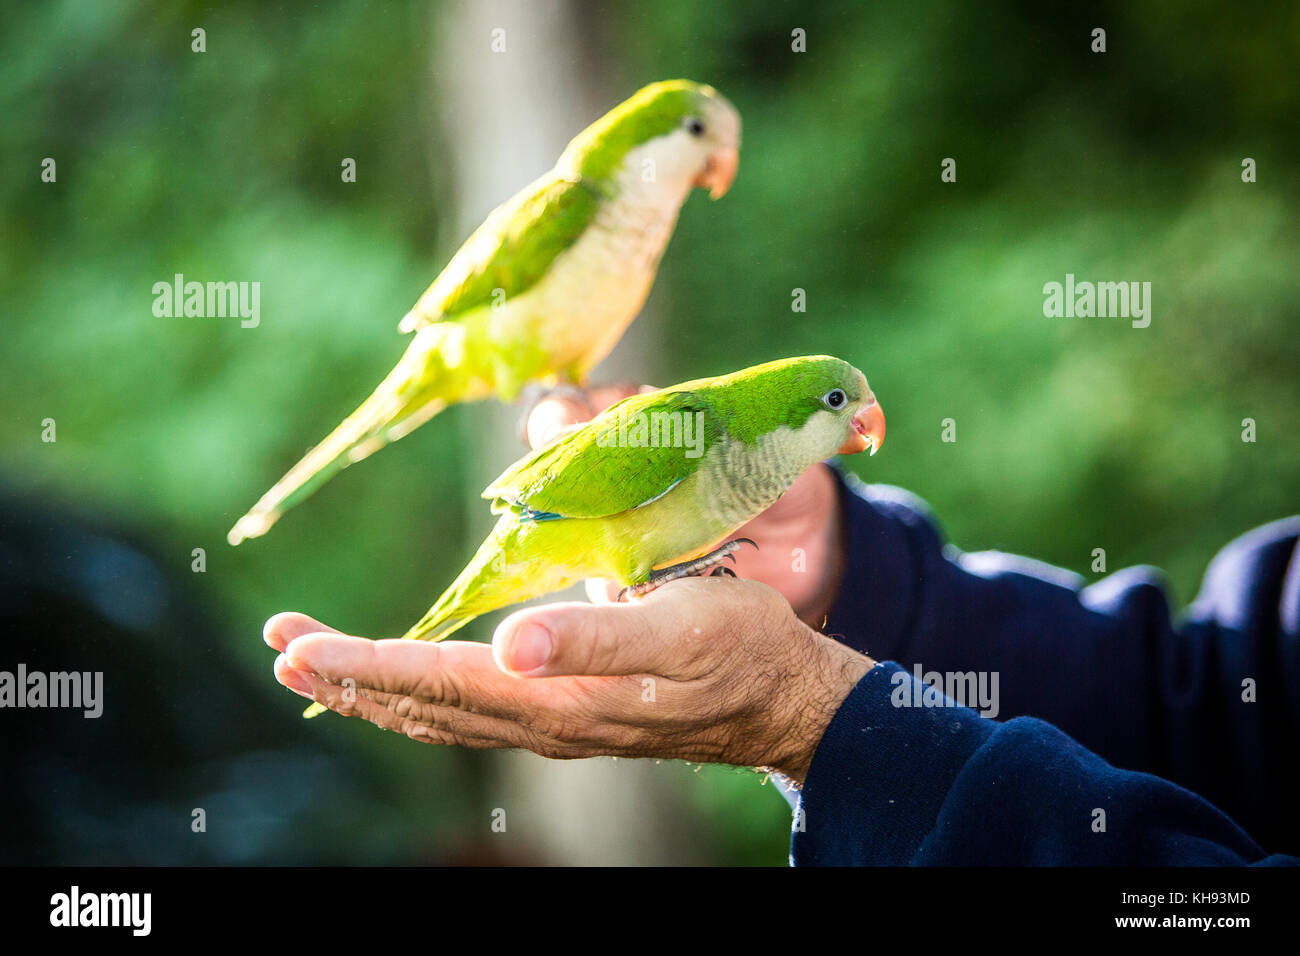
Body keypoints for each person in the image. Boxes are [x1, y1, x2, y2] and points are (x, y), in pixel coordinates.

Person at [265, 386, 1300, 865]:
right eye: (839, 407)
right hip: (560, 532)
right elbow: (1202, 700)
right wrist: (847, 579)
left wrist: (829, 720)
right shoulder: (702, 433)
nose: (862, 429)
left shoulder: (744, 441)